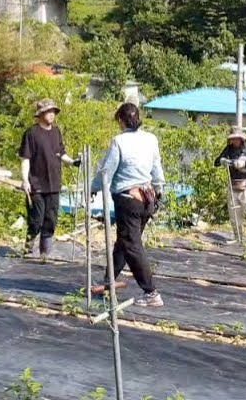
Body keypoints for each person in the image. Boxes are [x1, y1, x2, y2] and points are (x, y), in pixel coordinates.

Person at [90, 101, 165, 307]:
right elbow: (157, 169)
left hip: (128, 200)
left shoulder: (119, 141)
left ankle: (151, 292)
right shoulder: (151, 139)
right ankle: (108, 281)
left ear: (121, 120)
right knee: (124, 243)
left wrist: (93, 188)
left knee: (131, 245)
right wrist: (159, 191)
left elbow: (107, 170)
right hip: (147, 198)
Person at [19, 98, 77, 258]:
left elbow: (61, 153)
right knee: (36, 219)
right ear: (41, 114)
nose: (51, 115)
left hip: (54, 183)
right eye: (48, 112)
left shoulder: (56, 131)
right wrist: (25, 180)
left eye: (53, 112)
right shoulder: (31, 133)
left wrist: (73, 162)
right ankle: (28, 249)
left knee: (50, 219)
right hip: (36, 183)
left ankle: (45, 253)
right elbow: (25, 158)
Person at [215, 127, 246, 242]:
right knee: (234, 213)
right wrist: (223, 161)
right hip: (233, 184)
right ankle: (238, 236)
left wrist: (245, 163)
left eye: (237, 139)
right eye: (233, 139)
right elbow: (216, 161)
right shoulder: (229, 149)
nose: (235, 141)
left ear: (241, 139)